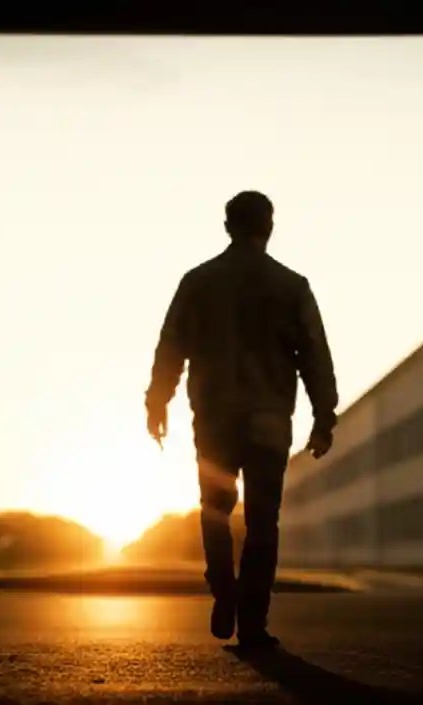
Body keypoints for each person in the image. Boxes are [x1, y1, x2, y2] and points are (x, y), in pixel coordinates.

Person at [144, 190, 339, 650]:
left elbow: (171, 345)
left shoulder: (198, 282)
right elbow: (315, 354)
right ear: (268, 227)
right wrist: (324, 415)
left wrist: (157, 401)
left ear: (227, 227)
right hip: (269, 420)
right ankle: (252, 622)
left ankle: (224, 591)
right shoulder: (291, 286)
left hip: (213, 417)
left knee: (214, 509)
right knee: (262, 521)